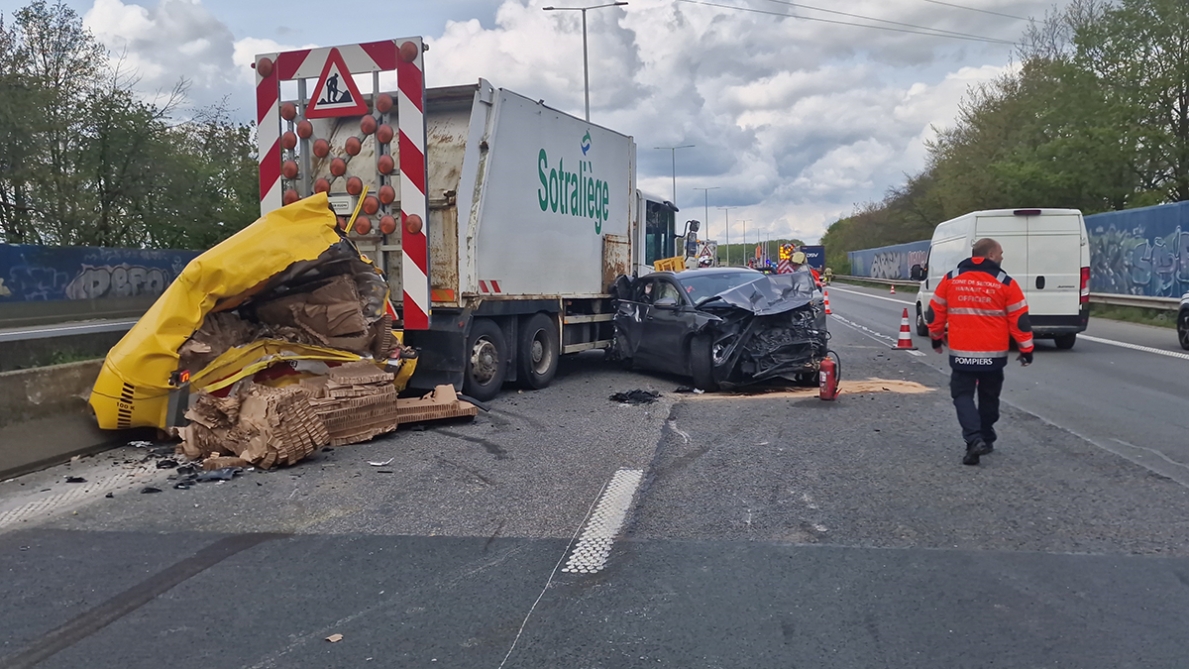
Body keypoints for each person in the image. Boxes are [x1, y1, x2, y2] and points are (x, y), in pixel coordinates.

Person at [927, 238, 1034, 465]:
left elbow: (935, 313)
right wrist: (1026, 349)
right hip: (993, 355)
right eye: (1001, 253)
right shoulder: (1005, 282)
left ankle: (974, 439)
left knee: (962, 395)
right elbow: (1020, 320)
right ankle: (986, 436)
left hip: (962, 353)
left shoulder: (951, 278)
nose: (1003, 257)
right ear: (992, 255)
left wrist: (936, 338)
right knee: (989, 397)